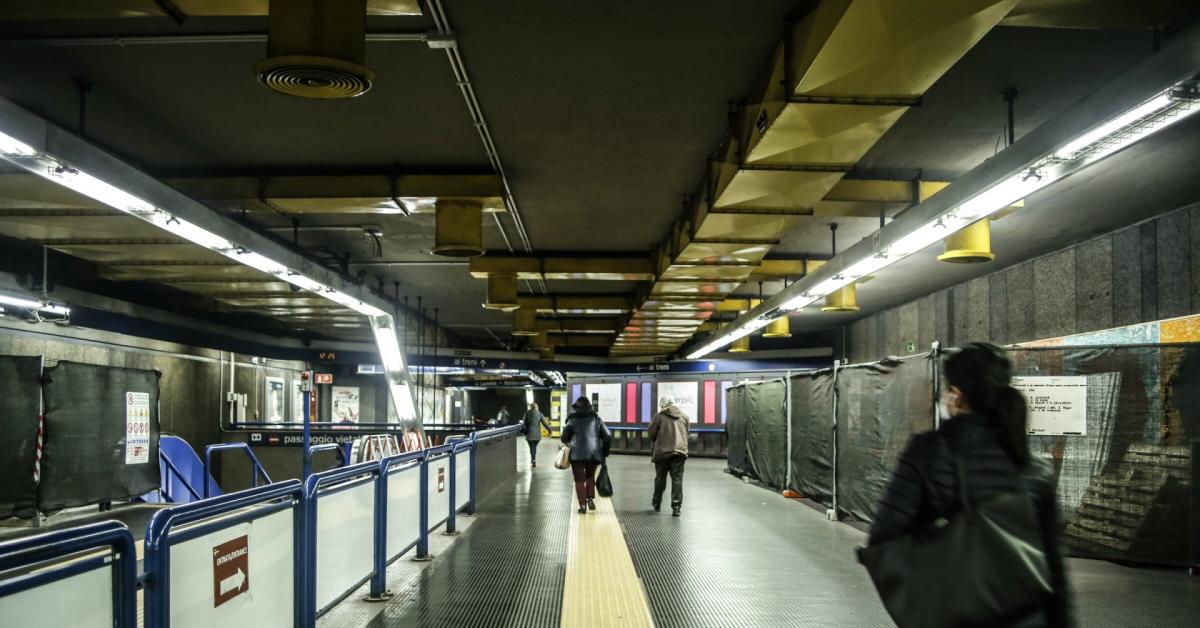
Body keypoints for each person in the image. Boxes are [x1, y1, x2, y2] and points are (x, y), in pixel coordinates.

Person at [868, 342, 1072, 627]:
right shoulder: (1034, 467)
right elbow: (1053, 566)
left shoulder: (928, 452)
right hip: (1027, 616)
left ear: (956, 395)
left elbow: (884, 539)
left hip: (954, 614)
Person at [560, 397, 611, 514]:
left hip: (577, 455)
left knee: (579, 480)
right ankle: (590, 500)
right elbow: (607, 436)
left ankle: (582, 506)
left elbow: (563, 437)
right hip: (593, 453)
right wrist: (604, 452)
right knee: (590, 477)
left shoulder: (572, 419)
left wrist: (569, 440)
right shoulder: (596, 418)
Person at [648, 396, 689, 516]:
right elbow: (687, 433)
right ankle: (676, 508)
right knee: (677, 480)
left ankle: (657, 503)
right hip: (680, 452)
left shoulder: (659, 417)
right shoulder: (685, 417)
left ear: (663, 405)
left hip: (663, 453)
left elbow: (651, 434)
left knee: (660, 479)